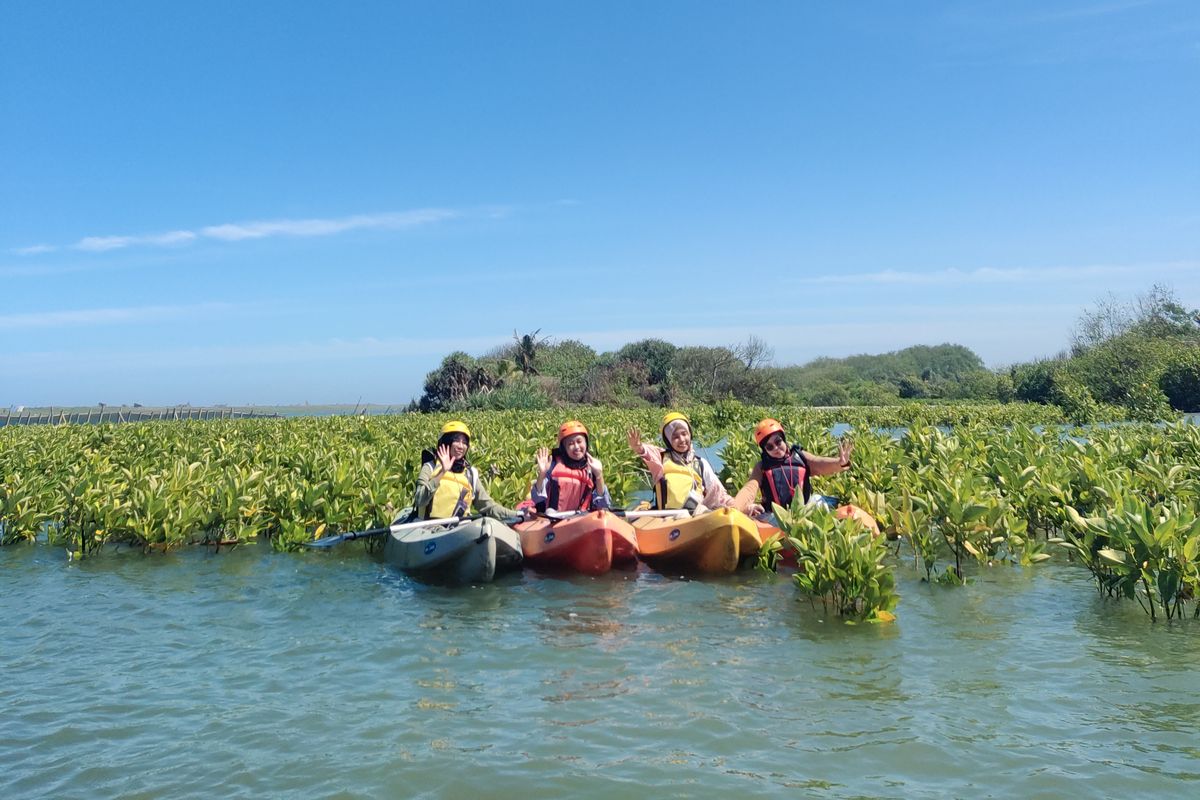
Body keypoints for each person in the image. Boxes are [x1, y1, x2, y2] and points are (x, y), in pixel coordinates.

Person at [627, 412, 757, 514]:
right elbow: (646, 452)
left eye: (684, 434)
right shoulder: (660, 458)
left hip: (695, 516)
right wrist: (638, 447)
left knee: (706, 511)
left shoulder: (701, 464)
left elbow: (719, 495)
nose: (682, 439)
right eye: (675, 437)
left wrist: (742, 508)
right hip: (667, 519)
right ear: (668, 441)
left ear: (690, 434)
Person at [733, 418, 852, 517]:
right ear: (765, 450)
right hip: (776, 517)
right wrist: (735, 507)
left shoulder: (800, 457)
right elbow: (750, 488)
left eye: (778, 442)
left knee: (823, 502)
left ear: (784, 439)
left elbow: (819, 464)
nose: (776, 448)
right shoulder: (761, 467)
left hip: (804, 511)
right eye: (769, 447)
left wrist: (839, 463)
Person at [412, 420, 527, 521]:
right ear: (445, 442)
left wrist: (518, 514)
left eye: (464, 442)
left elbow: (488, 506)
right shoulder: (430, 467)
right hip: (430, 529)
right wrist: (442, 472)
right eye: (456, 440)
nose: (461, 446)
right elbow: (420, 500)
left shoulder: (470, 473)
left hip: (460, 529)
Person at [530, 420, 612, 514]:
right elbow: (537, 500)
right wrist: (542, 474)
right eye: (571, 444)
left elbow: (603, 506)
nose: (576, 447)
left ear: (586, 443)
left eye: (579, 441)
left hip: (582, 518)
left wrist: (599, 475)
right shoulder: (553, 465)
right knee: (549, 512)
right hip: (553, 518)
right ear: (563, 448)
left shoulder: (592, 467)